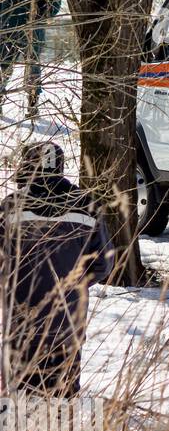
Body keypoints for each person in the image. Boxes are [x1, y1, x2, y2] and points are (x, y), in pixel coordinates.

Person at [1, 142, 115, 396]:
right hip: (68, 322)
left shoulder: (10, 207)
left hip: (21, 322)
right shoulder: (87, 205)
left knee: (20, 399)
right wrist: (73, 284)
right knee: (63, 397)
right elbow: (104, 263)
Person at [0, 0, 62, 120]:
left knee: (32, 67)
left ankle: (32, 104)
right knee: (3, 65)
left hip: (32, 28)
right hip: (8, 27)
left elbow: (55, 1)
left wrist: (40, 15)